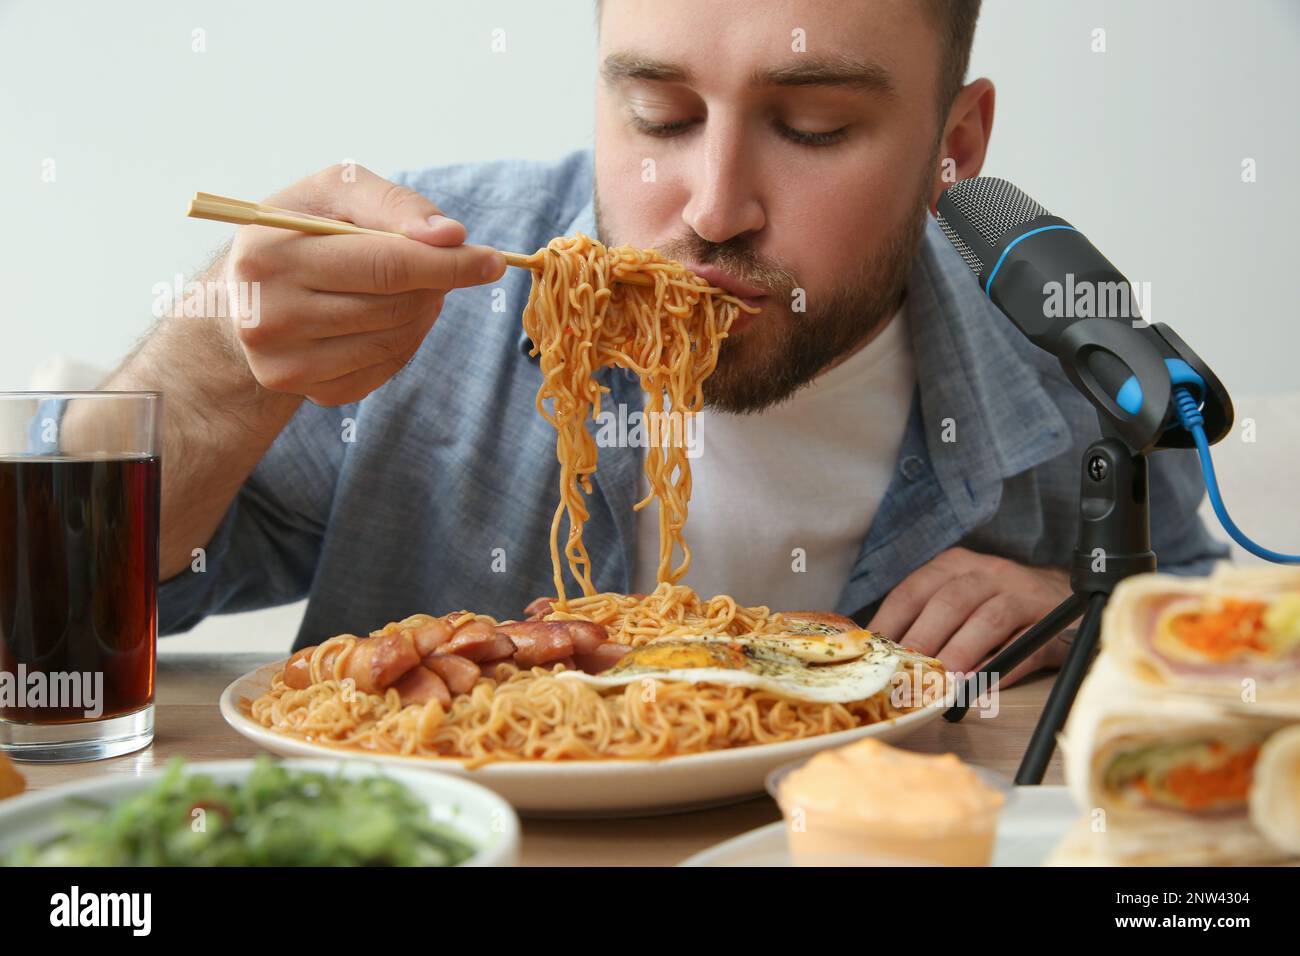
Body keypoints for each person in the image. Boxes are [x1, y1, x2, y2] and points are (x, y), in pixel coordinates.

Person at [104, 0, 1224, 684]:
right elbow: (67, 633)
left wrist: (1101, 612)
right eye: (659, 117)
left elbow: (1200, 618)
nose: (713, 206)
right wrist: (212, 371)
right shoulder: (417, 297)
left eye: (813, 127)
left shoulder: (1071, 365)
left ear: (955, 143)